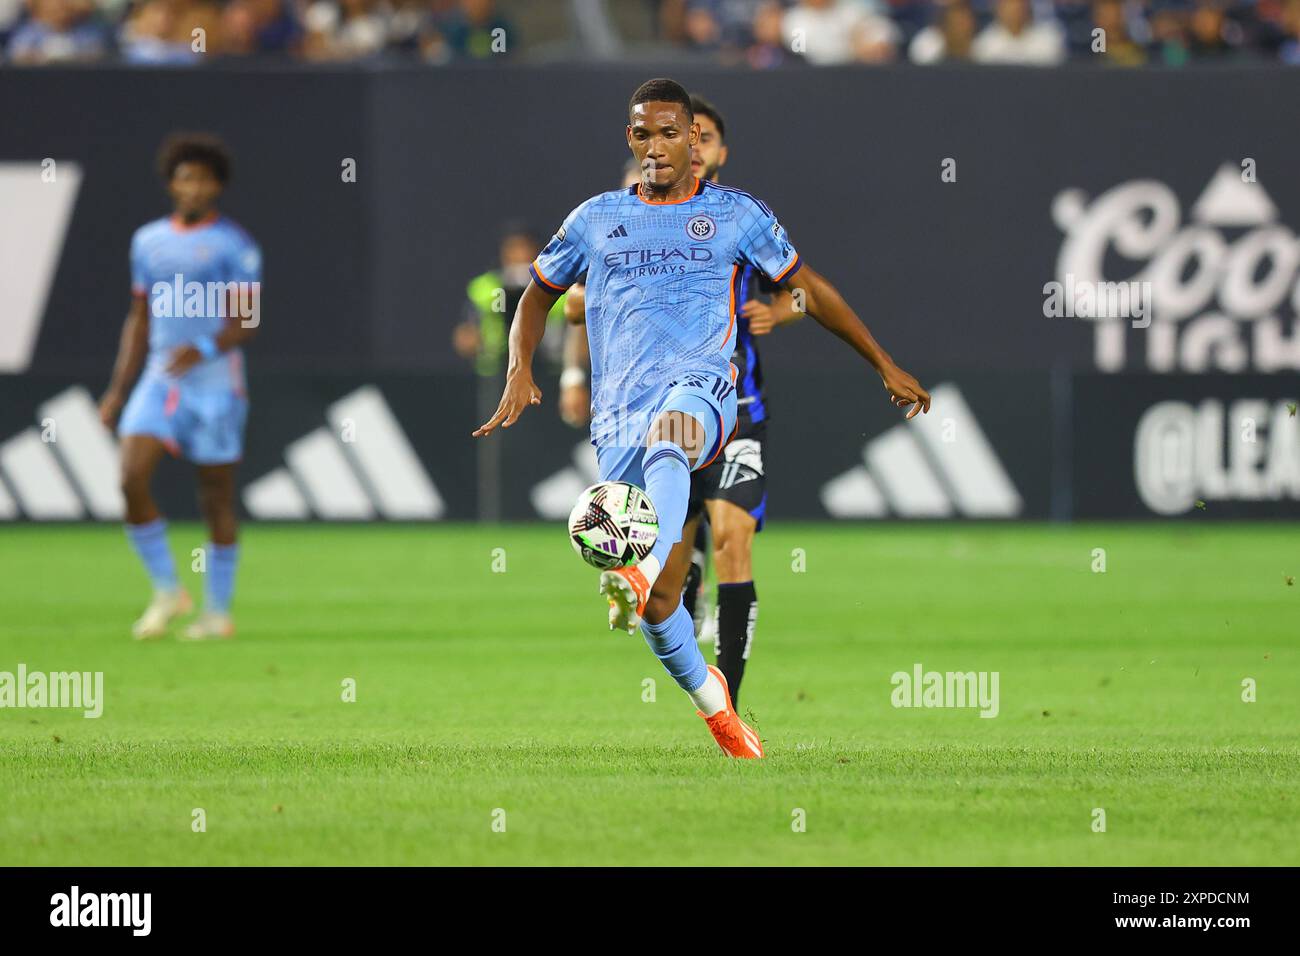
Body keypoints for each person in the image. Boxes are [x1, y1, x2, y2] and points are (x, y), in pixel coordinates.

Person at [473, 78, 929, 759]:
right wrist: (520, 368)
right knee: (661, 608)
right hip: (618, 414)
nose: (654, 146)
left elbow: (810, 288)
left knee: (674, 439)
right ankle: (717, 708)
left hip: (706, 393)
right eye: (641, 134)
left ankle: (638, 563)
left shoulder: (737, 215)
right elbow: (537, 297)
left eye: (667, 133)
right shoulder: (595, 219)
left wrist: (882, 361)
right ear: (629, 140)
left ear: (694, 140)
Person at [98, 133, 262, 641]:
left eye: (204, 179)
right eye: (185, 177)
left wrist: (206, 347)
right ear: (171, 183)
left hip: (215, 385)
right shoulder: (147, 241)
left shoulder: (236, 245)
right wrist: (117, 389)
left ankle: (217, 612)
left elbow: (249, 321)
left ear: (217, 186)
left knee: (215, 496)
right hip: (159, 379)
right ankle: (168, 589)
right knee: (130, 476)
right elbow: (139, 317)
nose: (194, 187)